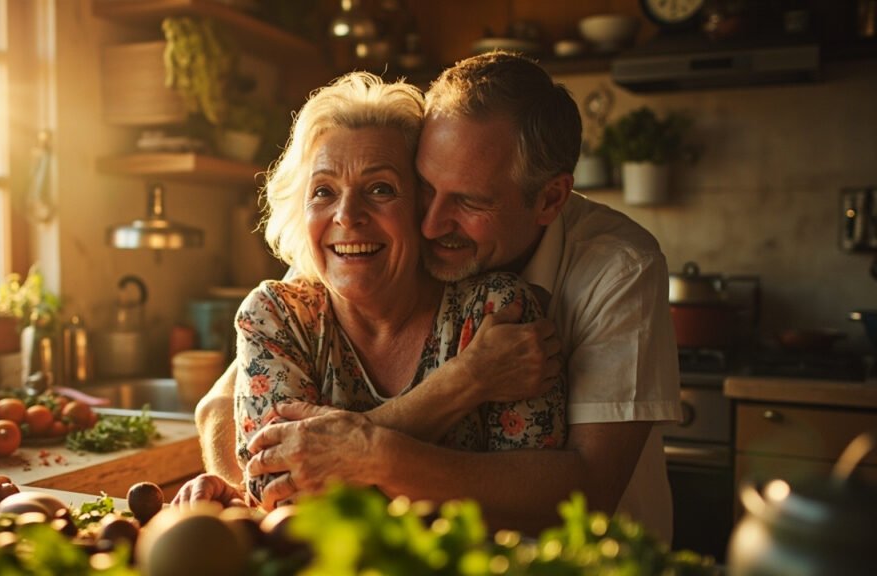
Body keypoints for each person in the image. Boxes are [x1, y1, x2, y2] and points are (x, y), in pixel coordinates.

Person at [182, 51, 681, 541]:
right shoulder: (345, 257)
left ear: (550, 198)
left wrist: (363, 456)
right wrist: (459, 386)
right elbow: (222, 413)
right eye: (424, 186)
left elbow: (587, 492)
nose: (431, 222)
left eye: (468, 201)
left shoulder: (617, 269)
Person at [221, 70, 566, 508]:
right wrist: (466, 381)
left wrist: (340, 462)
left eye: (380, 188)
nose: (347, 215)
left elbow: (536, 502)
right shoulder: (276, 317)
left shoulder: (495, 313)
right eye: (324, 191)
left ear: (422, 206)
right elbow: (276, 490)